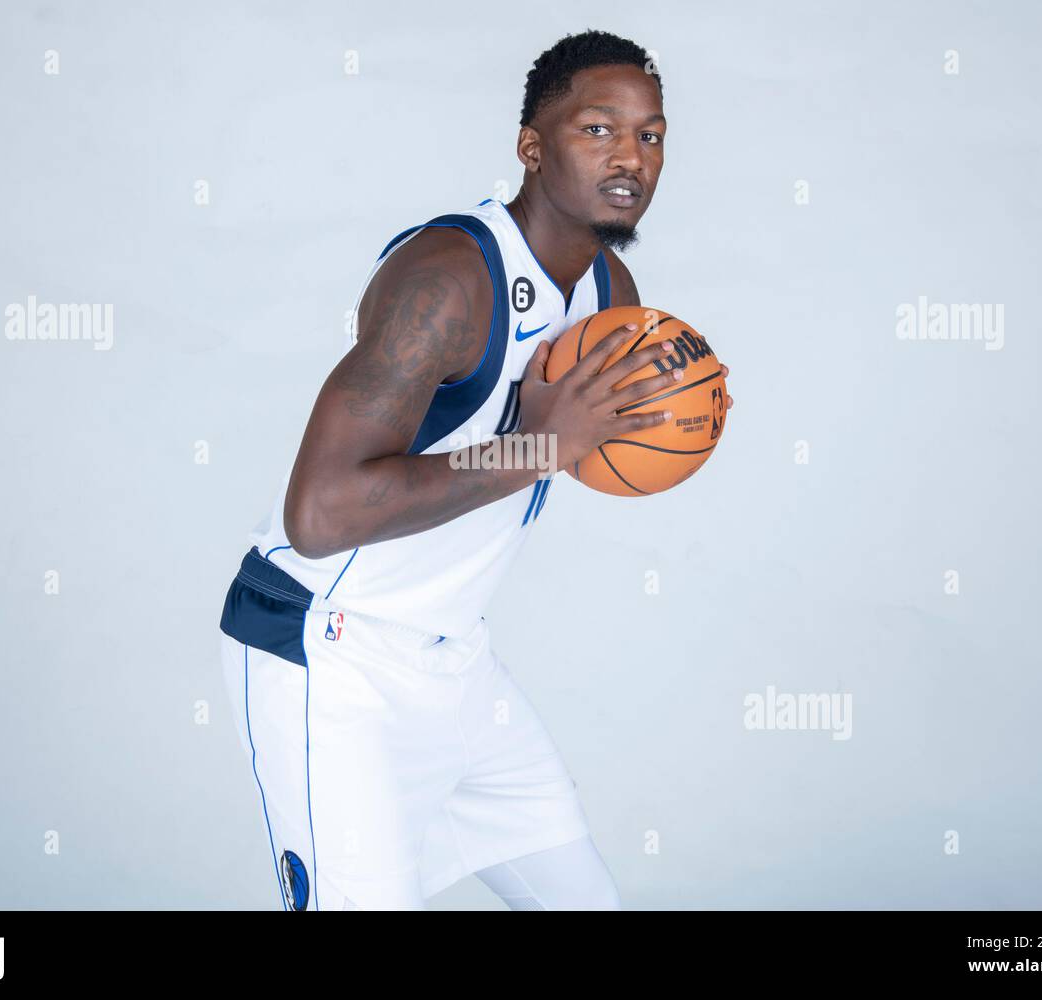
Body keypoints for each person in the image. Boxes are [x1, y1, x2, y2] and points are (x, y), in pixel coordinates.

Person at [219, 28, 732, 910]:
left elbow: (583, 451)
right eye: (597, 130)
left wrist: (637, 438)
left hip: (456, 667)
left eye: (650, 135)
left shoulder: (613, 301)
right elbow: (321, 514)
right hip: (332, 655)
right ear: (531, 148)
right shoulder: (449, 280)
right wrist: (541, 447)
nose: (630, 157)